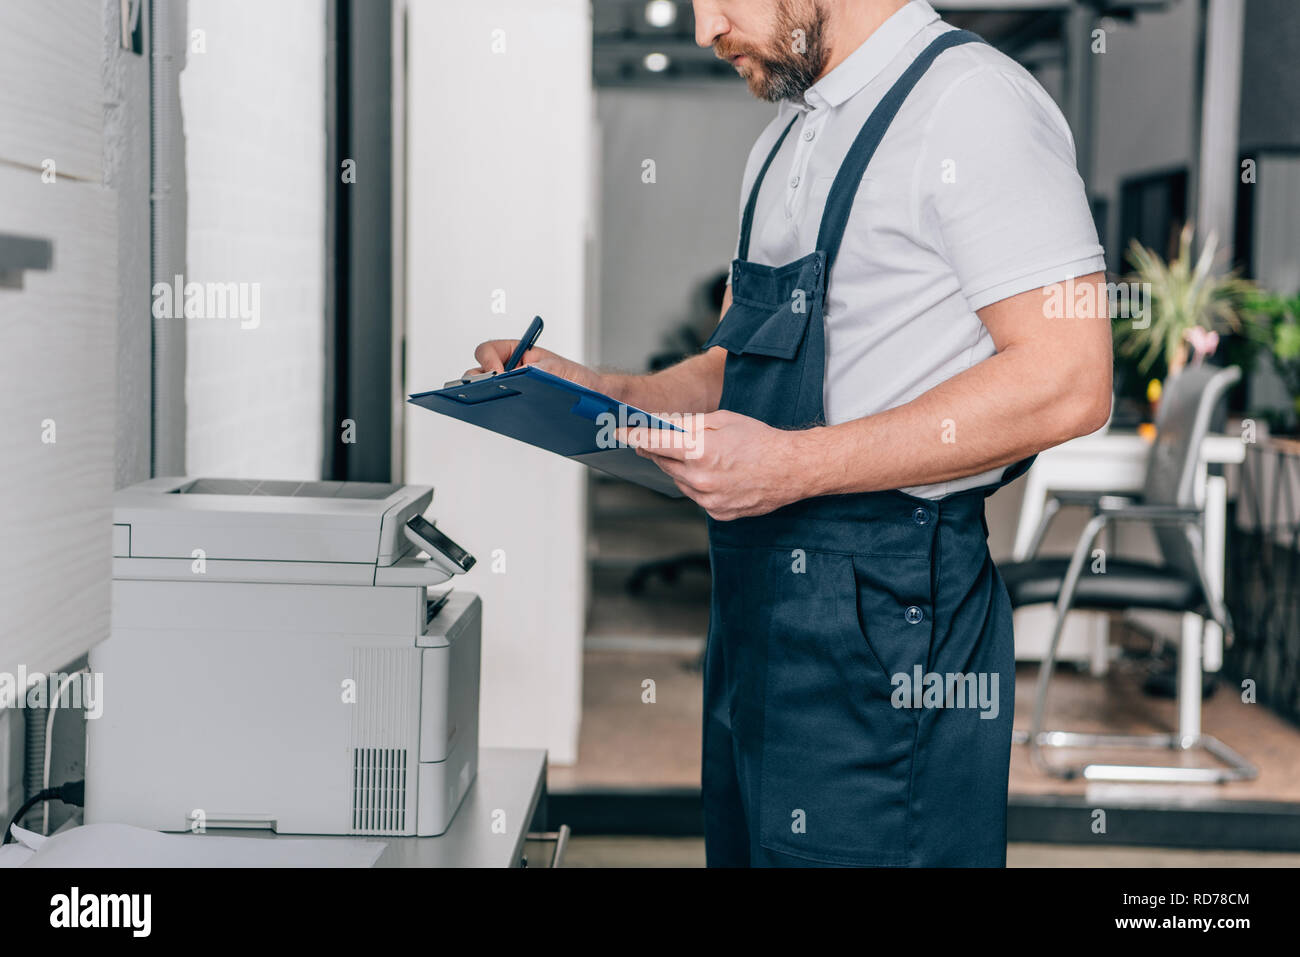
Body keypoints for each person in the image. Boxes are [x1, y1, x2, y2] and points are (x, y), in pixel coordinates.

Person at [466, 0, 1112, 867]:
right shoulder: (780, 141)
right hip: (755, 602)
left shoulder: (974, 104)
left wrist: (792, 465)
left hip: (890, 615)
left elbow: (1070, 379)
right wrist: (601, 392)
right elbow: (735, 365)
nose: (704, 28)